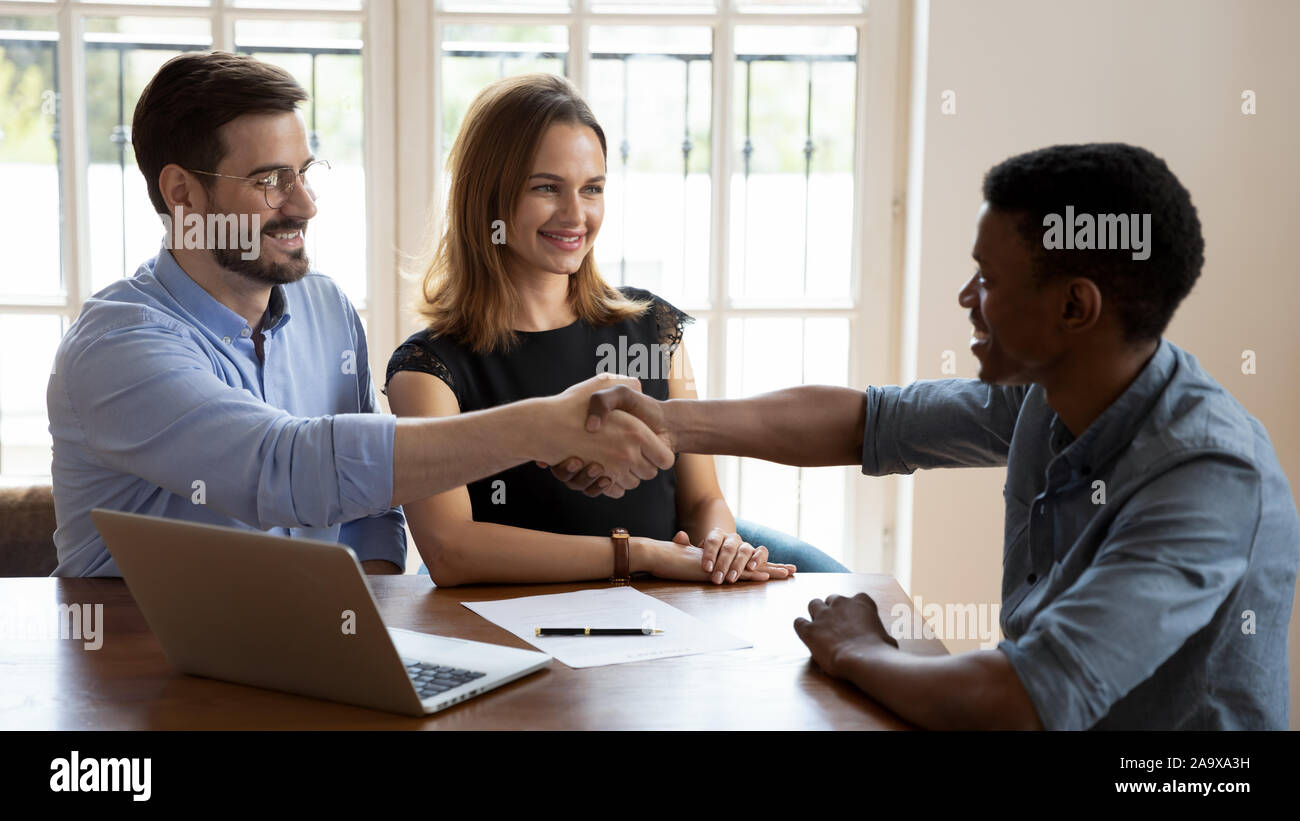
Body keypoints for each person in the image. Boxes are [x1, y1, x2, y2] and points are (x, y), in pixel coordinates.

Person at [571, 143, 1300, 730]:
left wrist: (859, 648)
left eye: (985, 277)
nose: (965, 298)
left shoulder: (1207, 475)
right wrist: (662, 419)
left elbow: (1022, 701)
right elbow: (866, 421)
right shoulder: (1053, 392)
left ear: (1075, 306)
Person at [48, 52, 671, 578]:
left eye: (305, 173)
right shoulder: (118, 345)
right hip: (144, 673)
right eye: (271, 181)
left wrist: (364, 623)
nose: (305, 204)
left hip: (310, 658)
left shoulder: (326, 309)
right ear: (181, 192)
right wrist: (540, 428)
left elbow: (373, 505)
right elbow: (284, 467)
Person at [385, 73, 846, 586]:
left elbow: (702, 499)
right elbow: (452, 552)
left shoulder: (655, 329)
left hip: (668, 621)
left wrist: (720, 543)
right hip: (517, 636)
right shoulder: (429, 369)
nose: (575, 214)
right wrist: (640, 555)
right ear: (487, 197)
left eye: (592, 189)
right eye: (546, 188)